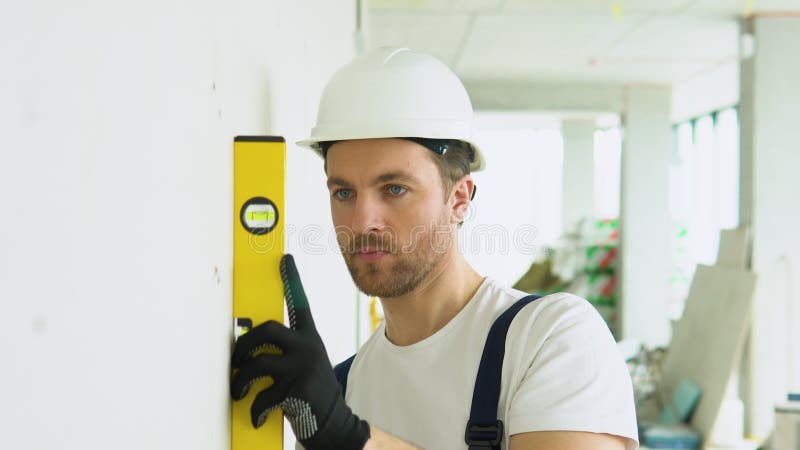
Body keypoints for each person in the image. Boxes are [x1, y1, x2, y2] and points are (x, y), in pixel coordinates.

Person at [230, 47, 639, 450]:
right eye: (343, 192)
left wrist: (353, 440)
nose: (362, 221)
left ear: (459, 199)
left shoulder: (550, 339)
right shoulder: (341, 390)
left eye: (394, 189)